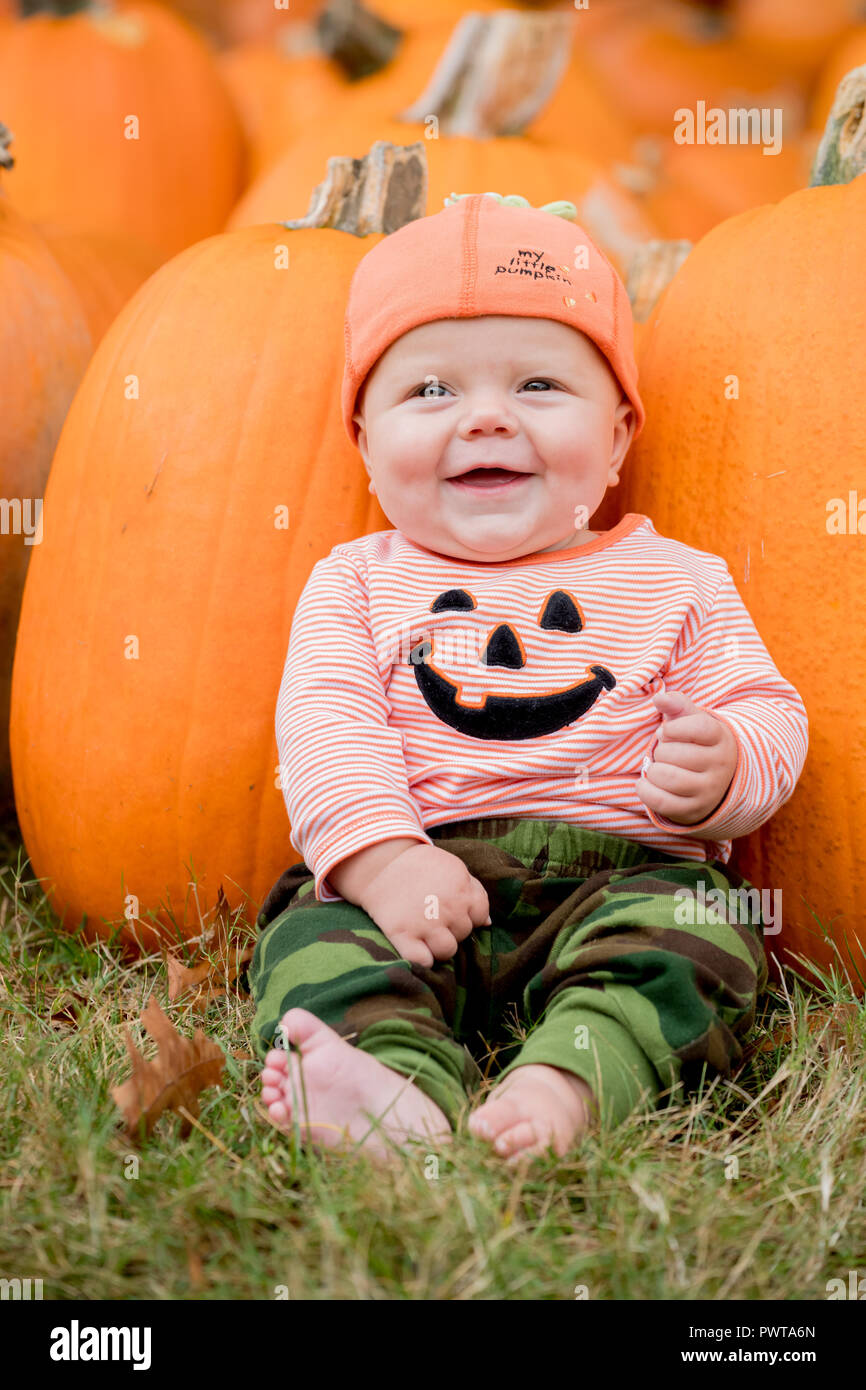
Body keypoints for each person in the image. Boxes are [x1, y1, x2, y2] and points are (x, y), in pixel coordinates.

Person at [251, 192, 808, 1166]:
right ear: (365, 446)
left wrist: (725, 768)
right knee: (313, 940)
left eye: (539, 384)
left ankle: (570, 1079)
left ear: (618, 435)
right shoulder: (356, 582)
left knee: (693, 937)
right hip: (415, 875)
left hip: (621, 875)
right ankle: (387, 1082)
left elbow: (764, 708)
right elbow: (325, 724)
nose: (485, 420)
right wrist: (381, 862)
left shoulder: (676, 579)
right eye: (429, 392)